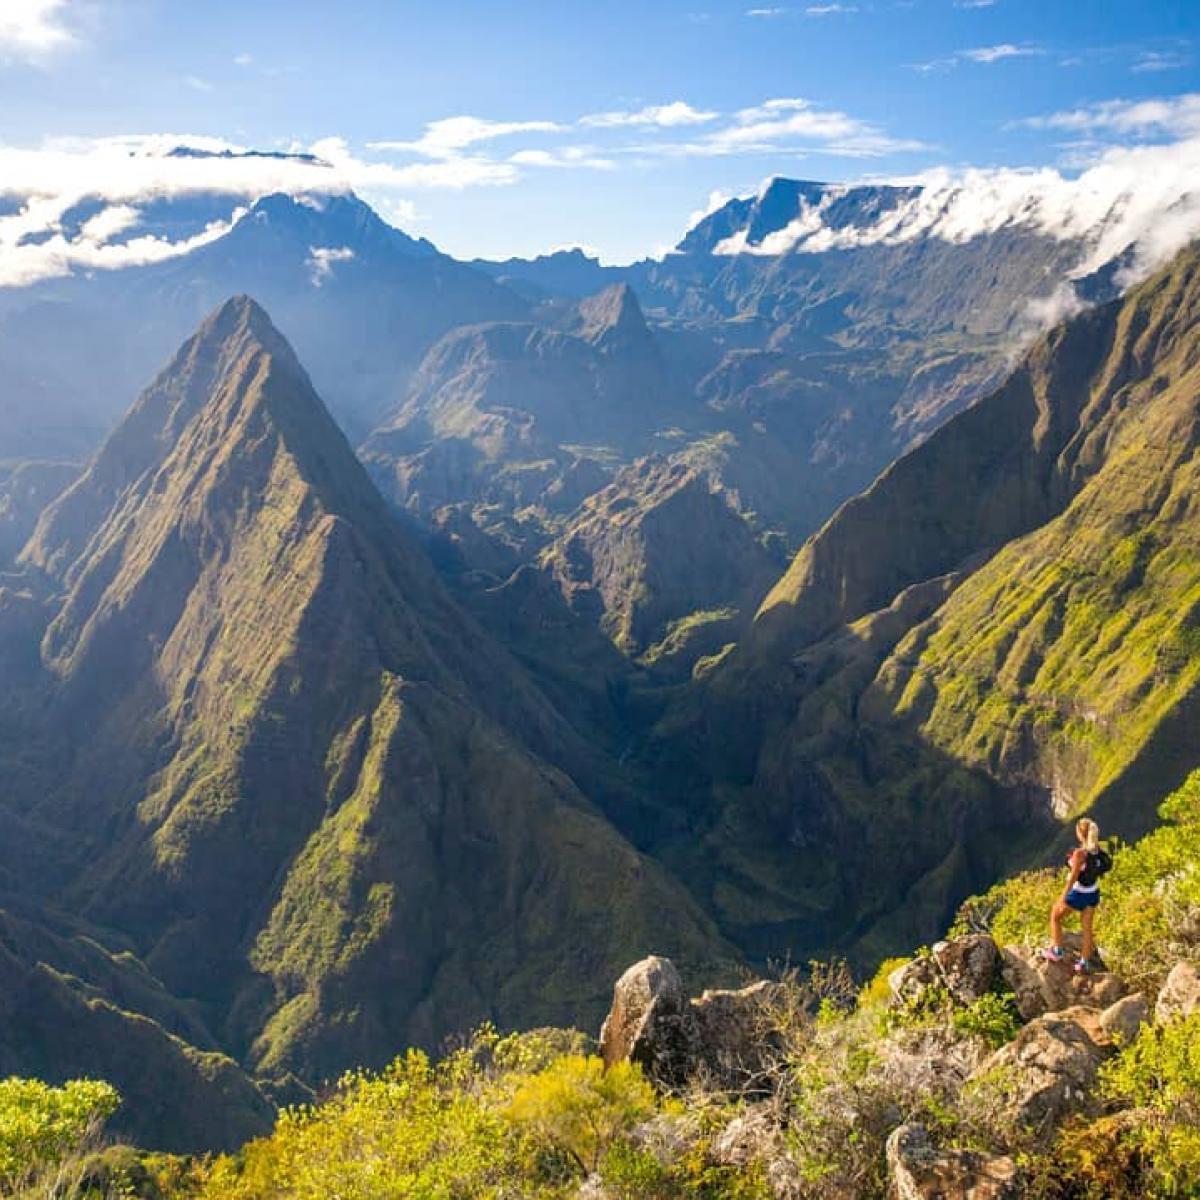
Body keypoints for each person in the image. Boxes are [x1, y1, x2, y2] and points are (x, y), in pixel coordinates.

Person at [1043, 818, 1104, 974]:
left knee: (1055, 916)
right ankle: (1084, 963)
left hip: (1079, 893)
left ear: (1080, 834)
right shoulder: (1097, 850)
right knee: (1087, 928)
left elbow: (1074, 876)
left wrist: (1063, 897)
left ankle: (1057, 950)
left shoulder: (1080, 853)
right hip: (1093, 892)